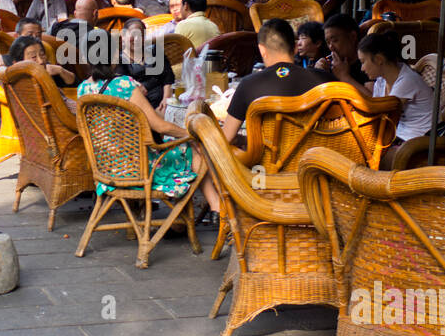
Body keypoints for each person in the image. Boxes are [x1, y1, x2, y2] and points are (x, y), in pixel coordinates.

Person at [77, 29, 222, 220]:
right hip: (141, 168)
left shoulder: (83, 90)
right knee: (195, 149)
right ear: (114, 55)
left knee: (183, 145)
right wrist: (192, 134)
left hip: (107, 169)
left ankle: (185, 217)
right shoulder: (125, 84)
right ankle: (216, 209)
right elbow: (161, 127)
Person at [222, 19, 330, 143]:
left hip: (267, 160)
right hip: (312, 158)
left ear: (262, 50)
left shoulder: (248, 85)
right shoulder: (323, 79)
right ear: (295, 48)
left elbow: (226, 138)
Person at [332, 27, 435, 146]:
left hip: (418, 144)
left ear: (379, 59)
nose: (362, 68)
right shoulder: (381, 81)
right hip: (400, 138)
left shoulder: (406, 81)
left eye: (363, 62)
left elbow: (380, 118)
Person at [119, 18, 174, 110]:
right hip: (139, 108)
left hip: (163, 103)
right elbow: (125, 86)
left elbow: (168, 77)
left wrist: (166, 100)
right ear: (123, 35)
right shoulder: (119, 60)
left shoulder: (154, 50)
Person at [320, 13, 370, 85]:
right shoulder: (331, 65)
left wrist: (344, 76)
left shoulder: (368, 62)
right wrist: (319, 74)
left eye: (335, 40)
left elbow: (371, 96)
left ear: (353, 36)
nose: (331, 47)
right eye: (328, 42)